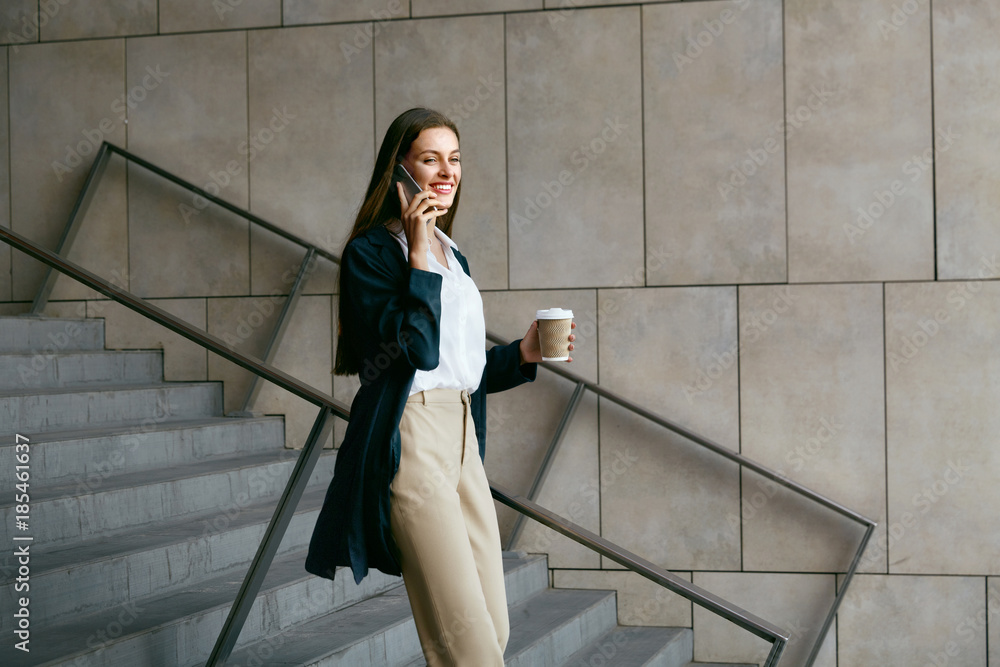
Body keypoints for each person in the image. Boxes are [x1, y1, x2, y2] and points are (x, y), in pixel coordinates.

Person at [305, 107, 575, 666]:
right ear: (399, 171)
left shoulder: (454, 256)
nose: (446, 172)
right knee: (467, 647)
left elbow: (459, 368)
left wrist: (522, 354)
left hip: (462, 444)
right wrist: (419, 253)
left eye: (454, 160)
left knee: (492, 629)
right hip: (411, 442)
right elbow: (416, 352)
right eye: (430, 159)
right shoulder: (372, 255)